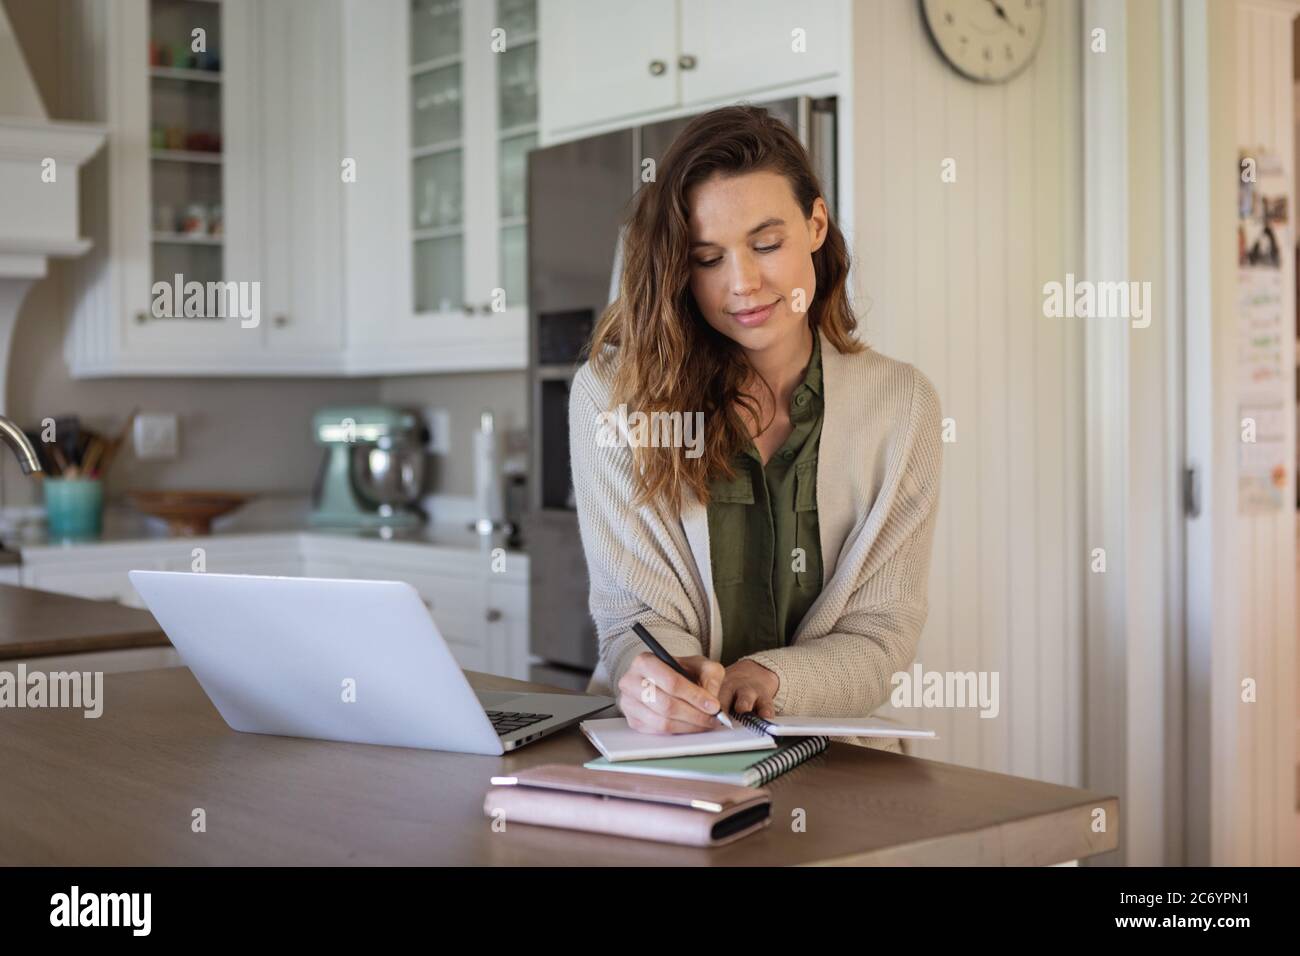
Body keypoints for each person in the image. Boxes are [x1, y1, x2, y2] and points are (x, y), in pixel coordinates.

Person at [568, 105, 943, 752]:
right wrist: (660, 679)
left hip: (839, 765)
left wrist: (768, 678)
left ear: (816, 225)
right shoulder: (613, 399)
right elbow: (631, 617)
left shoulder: (902, 405)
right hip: (662, 752)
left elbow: (881, 636)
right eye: (708, 258)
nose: (742, 284)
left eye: (767, 244)